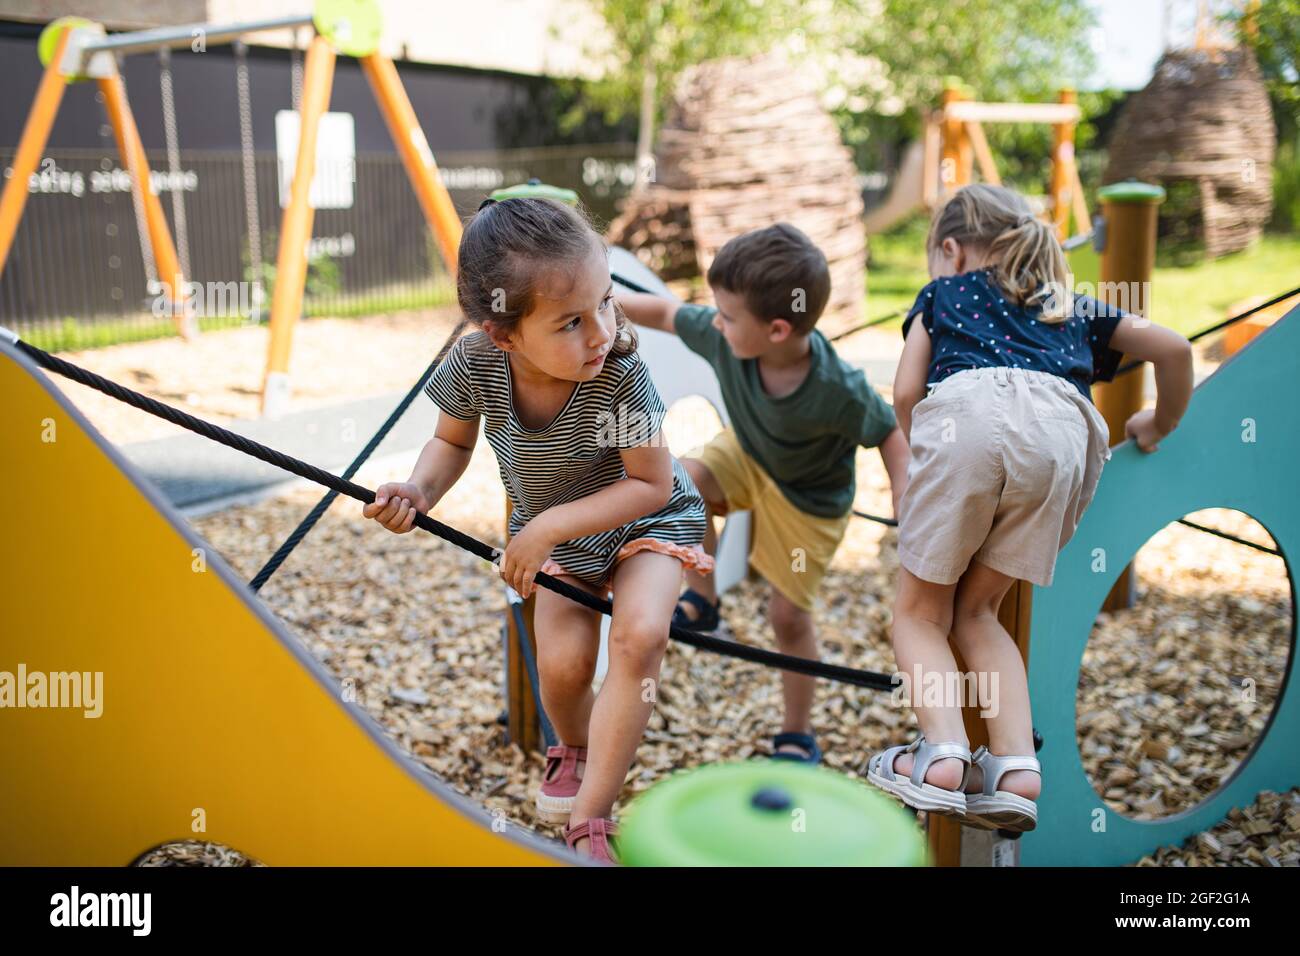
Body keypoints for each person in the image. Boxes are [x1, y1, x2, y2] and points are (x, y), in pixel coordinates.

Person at [364, 197, 713, 862]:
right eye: (572, 322)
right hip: (559, 541)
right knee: (563, 664)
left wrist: (548, 525)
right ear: (504, 335)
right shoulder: (476, 366)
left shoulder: (619, 375)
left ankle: (592, 816)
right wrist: (418, 490)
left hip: (646, 521)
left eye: (606, 304)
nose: (601, 332)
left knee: (640, 636)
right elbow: (451, 444)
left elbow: (651, 485)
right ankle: (574, 747)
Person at [867, 183, 1194, 832]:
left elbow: (906, 388)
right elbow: (1176, 349)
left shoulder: (943, 294)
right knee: (980, 610)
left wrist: (925, 448)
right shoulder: (1069, 306)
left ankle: (942, 756)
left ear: (951, 251)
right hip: (1064, 435)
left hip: (967, 420)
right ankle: (1016, 769)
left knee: (921, 612)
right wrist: (1158, 423)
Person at [618, 223, 909, 763]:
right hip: (750, 452)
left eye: (728, 316)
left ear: (777, 330)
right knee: (682, 480)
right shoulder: (725, 334)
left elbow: (888, 431)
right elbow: (662, 313)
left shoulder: (837, 388)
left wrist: (904, 495)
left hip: (809, 500)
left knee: (787, 618)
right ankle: (702, 601)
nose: (716, 322)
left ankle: (797, 732)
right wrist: (600, 300)